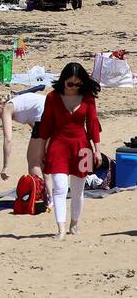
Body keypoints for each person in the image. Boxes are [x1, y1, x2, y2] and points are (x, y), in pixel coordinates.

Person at [38, 63, 102, 239]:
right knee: (59, 188)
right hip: (58, 146)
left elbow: (93, 125)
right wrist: (41, 149)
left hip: (82, 148)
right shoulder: (52, 98)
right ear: (63, 81)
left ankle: (74, 224)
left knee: (77, 190)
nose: (74, 88)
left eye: (78, 84)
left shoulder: (88, 98)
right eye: (70, 84)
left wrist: (97, 150)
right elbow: (45, 126)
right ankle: (61, 228)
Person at [0, 91, 48, 184]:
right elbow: (34, 127)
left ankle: (38, 191)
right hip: (55, 113)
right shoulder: (20, 105)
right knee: (42, 157)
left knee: (33, 159)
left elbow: (8, 139)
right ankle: (49, 189)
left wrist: (5, 167)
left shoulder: (7, 107)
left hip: (45, 116)